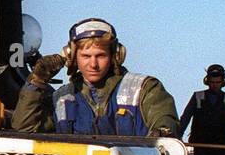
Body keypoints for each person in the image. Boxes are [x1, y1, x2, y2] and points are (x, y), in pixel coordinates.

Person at [12, 18, 179, 137]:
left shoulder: (144, 89)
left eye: (100, 55)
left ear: (116, 56)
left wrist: (163, 131)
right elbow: (25, 129)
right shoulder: (61, 99)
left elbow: (164, 122)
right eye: (86, 56)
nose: (93, 64)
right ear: (72, 57)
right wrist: (36, 82)